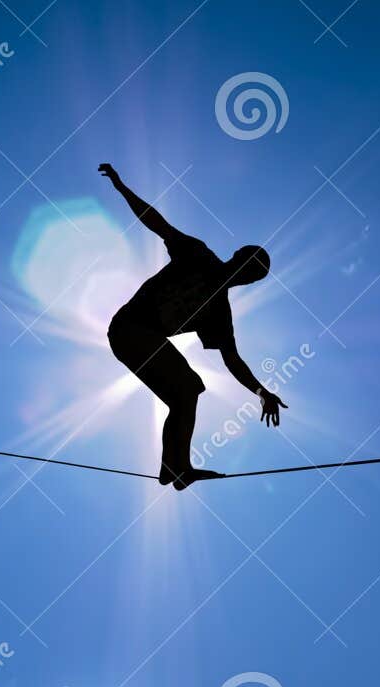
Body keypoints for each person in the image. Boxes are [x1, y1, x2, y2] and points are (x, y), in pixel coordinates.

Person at [98, 162, 287, 489]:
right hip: (129, 326)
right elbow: (157, 222)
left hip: (138, 340)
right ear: (237, 256)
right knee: (188, 387)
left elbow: (233, 360)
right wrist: (121, 186)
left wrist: (262, 392)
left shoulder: (219, 314)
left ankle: (173, 468)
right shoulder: (197, 254)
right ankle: (178, 468)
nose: (245, 275)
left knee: (185, 394)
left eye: (252, 275)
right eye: (248, 266)